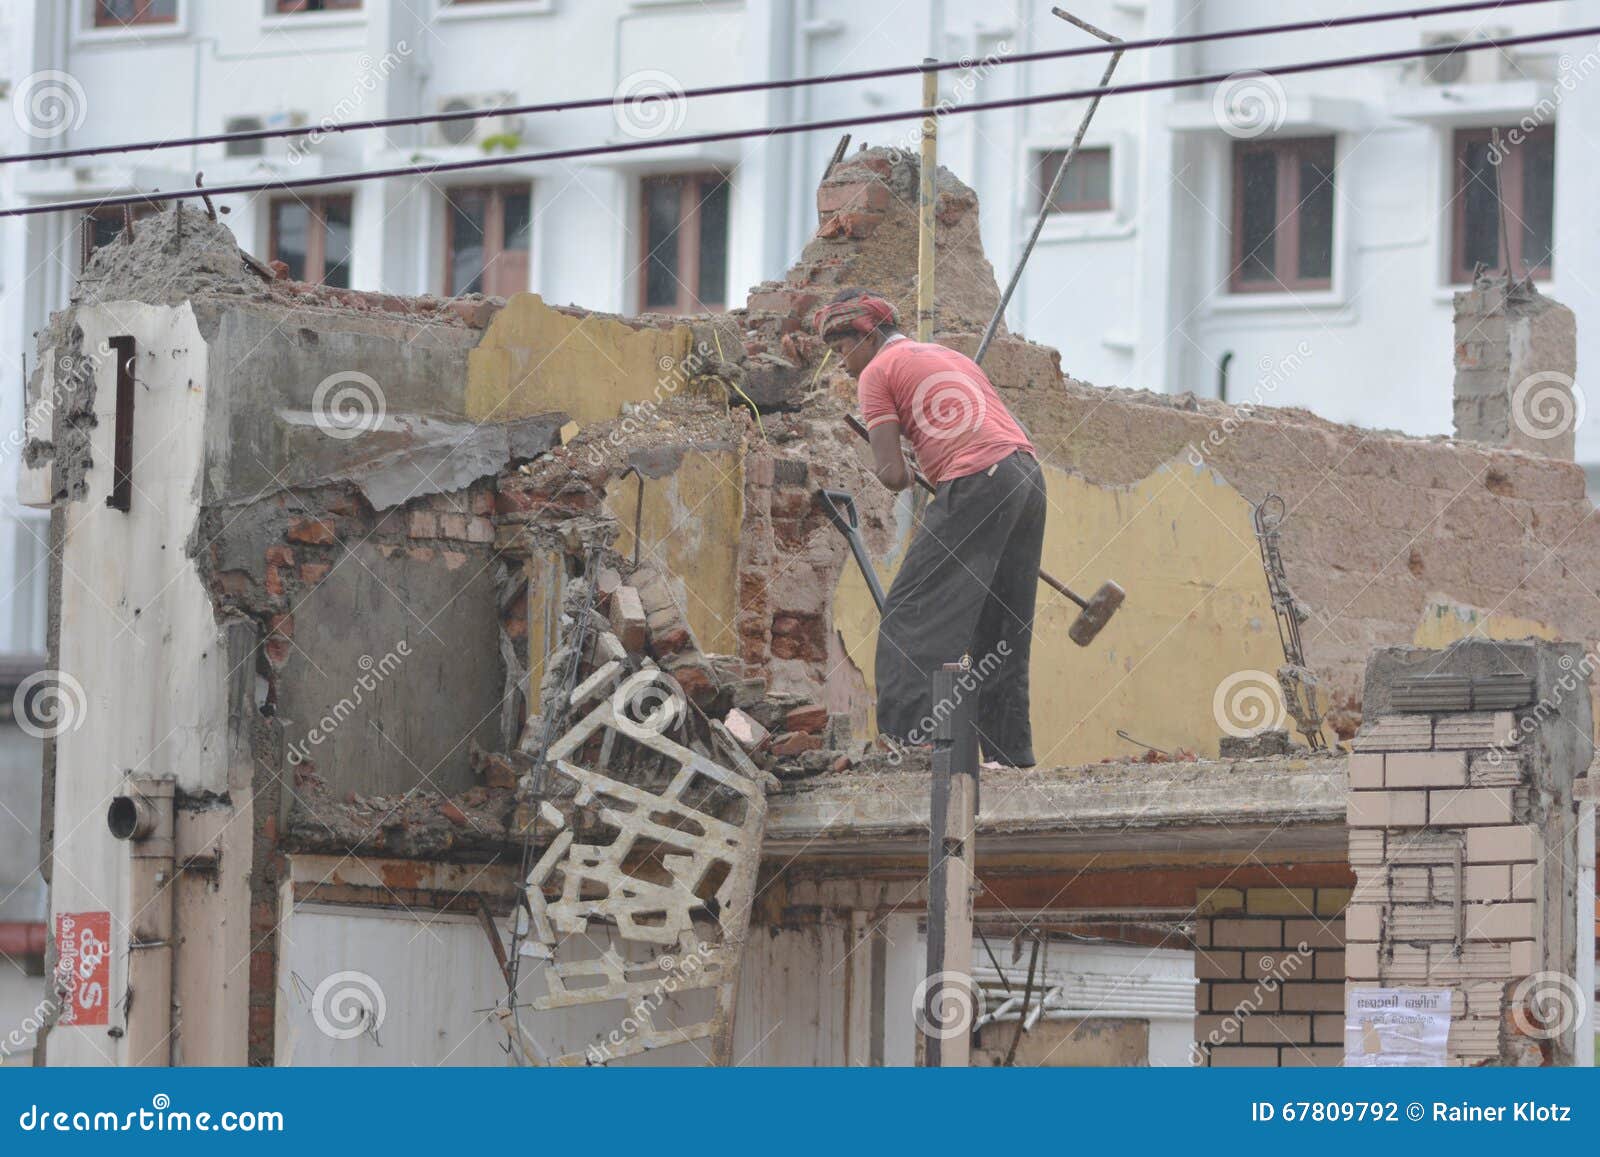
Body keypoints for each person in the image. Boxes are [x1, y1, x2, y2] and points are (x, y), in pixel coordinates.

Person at [812, 287, 1047, 767]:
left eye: (841, 350)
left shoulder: (877, 372)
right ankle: (1011, 756)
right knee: (999, 629)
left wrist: (894, 454)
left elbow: (894, 477)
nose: (841, 363)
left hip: (978, 479)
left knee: (911, 612)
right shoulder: (944, 354)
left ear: (868, 334)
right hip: (1026, 476)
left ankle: (910, 746)